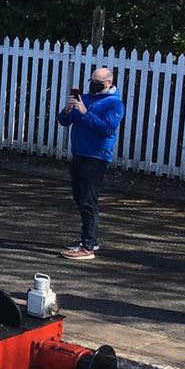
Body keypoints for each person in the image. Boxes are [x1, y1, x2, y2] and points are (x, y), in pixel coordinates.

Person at [56, 65, 125, 260]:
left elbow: (107, 129)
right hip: (79, 152)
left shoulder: (114, 104)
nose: (93, 85)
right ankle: (89, 238)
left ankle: (87, 247)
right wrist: (68, 109)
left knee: (88, 200)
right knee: (79, 196)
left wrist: (85, 113)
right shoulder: (84, 98)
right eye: (92, 81)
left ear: (108, 83)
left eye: (97, 82)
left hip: (96, 157)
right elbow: (64, 121)